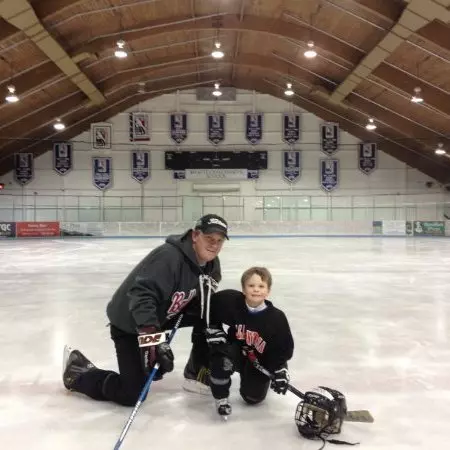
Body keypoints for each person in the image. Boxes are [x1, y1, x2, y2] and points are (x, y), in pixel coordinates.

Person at [62, 214, 228, 406]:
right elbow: (142, 296)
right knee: (134, 394)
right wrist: (154, 342)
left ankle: (197, 372)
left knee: (212, 311)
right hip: (132, 323)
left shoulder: (212, 264)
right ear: (195, 235)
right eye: (209, 238)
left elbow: (203, 300)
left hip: (162, 316)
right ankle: (79, 373)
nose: (214, 245)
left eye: (219, 241)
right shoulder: (169, 257)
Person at [205, 267, 294, 417]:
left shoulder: (276, 318)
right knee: (221, 361)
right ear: (243, 289)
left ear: (268, 291)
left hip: (260, 358)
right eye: (251, 286)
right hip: (236, 350)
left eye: (261, 286)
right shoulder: (231, 302)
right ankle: (221, 398)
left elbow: (282, 348)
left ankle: (255, 380)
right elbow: (212, 305)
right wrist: (214, 329)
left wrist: (280, 368)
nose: (256, 290)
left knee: (253, 398)